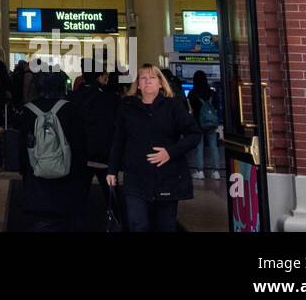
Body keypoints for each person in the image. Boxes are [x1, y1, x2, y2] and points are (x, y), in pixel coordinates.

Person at [106, 64, 201, 232]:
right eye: (143, 78)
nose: (148, 81)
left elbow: (194, 134)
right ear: (138, 85)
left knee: (165, 225)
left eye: (152, 78)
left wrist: (170, 152)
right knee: (138, 224)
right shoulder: (127, 107)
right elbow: (118, 139)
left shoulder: (173, 106)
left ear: (160, 83)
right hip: (136, 176)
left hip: (167, 175)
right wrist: (112, 170)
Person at [19, 68, 88, 231]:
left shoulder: (28, 110)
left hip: (37, 177)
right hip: (65, 177)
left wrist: (25, 169)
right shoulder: (70, 109)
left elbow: (23, 145)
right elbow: (79, 144)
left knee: (40, 219)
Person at [71, 63, 120, 216]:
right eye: (104, 73)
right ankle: (115, 219)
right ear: (99, 77)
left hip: (80, 155)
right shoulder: (111, 98)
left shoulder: (73, 97)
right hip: (104, 155)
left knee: (79, 196)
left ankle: (77, 222)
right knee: (112, 197)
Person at [188, 70, 223, 180]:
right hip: (211, 123)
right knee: (214, 147)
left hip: (197, 123)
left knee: (199, 147)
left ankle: (200, 171)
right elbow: (217, 106)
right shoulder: (211, 92)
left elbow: (190, 110)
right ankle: (216, 171)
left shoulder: (192, 93)